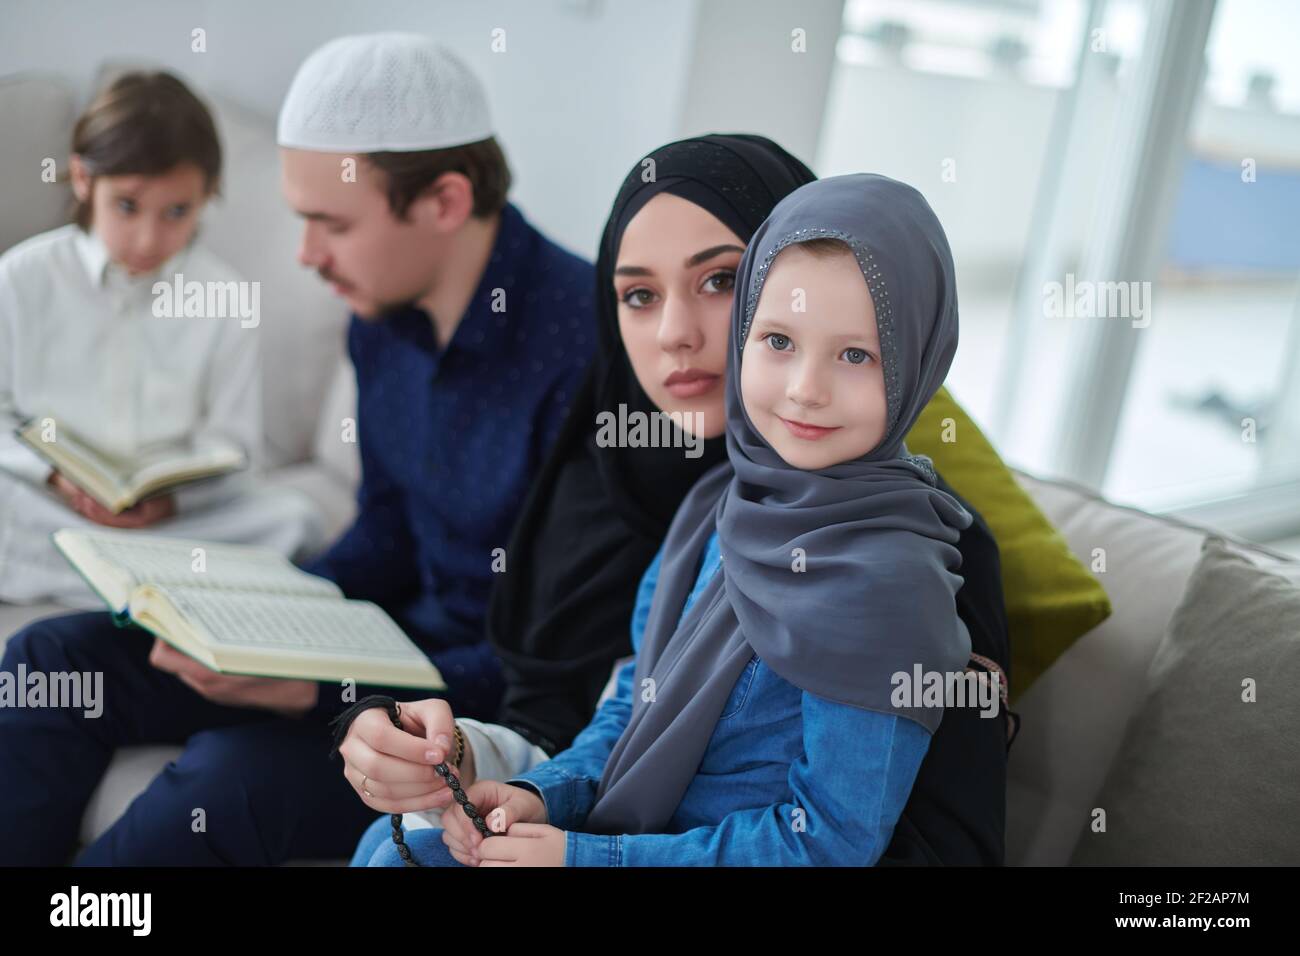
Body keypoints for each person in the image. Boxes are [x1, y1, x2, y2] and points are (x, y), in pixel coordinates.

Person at [0, 33, 594, 866]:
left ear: (446, 201)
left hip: (458, 707)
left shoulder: (587, 354)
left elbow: (550, 681)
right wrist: (254, 626)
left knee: (222, 780)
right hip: (376, 647)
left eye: (330, 223)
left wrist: (313, 687)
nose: (305, 257)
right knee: (49, 654)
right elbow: (383, 536)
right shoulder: (381, 318)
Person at [347, 147, 1011, 866]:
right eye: (779, 341)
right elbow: (627, 712)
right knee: (401, 849)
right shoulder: (713, 506)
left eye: (856, 354)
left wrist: (586, 857)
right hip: (614, 826)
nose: (805, 388)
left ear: (918, 357)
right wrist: (536, 793)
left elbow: (836, 842)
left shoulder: (900, 567)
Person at [0, 70, 322, 607]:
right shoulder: (20, 277)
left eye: (177, 212)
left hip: (173, 520)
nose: (150, 239)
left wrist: (168, 505)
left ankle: (109, 577)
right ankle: (146, 584)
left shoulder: (225, 295)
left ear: (206, 198)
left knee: (294, 517)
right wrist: (55, 479)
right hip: (53, 507)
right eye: (127, 206)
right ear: (83, 180)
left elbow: (237, 449)